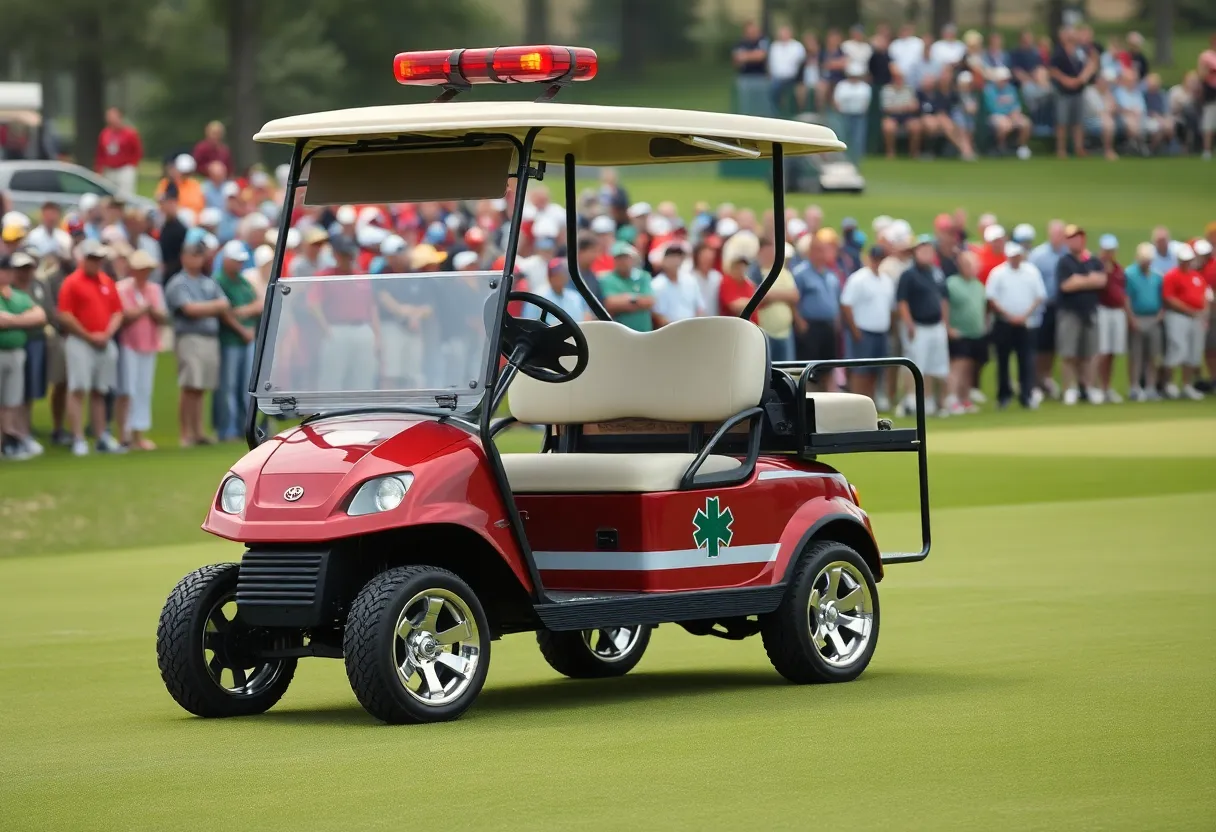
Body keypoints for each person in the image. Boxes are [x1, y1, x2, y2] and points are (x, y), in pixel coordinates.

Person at [57, 241, 124, 455]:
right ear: (83, 259)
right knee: (78, 389)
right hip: (80, 342)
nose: (97, 262)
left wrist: (107, 334)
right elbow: (65, 315)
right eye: (93, 258)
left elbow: (117, 312)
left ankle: (101, 436)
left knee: (100, 391)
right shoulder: (72, 282)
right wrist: (88, 335)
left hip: (104, 341)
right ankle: (78, 438)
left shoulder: (106, 281)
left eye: (99, 258)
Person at [165, 240, 228, 446]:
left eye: (199, 255)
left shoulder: (208, 281)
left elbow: (224, 303)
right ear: (183, 257)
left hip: (209, 336)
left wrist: (204, 307)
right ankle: (185, 433)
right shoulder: (178, 282)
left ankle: (198, 431)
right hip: (189, 336)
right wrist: (212, 307)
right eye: (192, 255)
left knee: (202, 385)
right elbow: (189, 309)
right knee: (189, 385)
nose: (196, 259)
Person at [114, 250, 167, 450]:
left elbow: (162, 315)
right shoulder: (122, 288)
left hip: (149, 343)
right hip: (129, 344)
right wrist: (144, 309)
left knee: (144, 389)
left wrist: (148, 310)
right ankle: (123, 434)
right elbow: (124, 315)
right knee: (127, 389)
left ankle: (138, 434)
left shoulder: (154, 289)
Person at [987, 243, 1047, 410]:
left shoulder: (1031, 272)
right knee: (1003, 361)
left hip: (1026, 323)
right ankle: (1004, 396)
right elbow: (991, 298)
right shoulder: (998, 273)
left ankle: (1026, 395)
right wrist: (1009, 316)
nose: (1015, 259)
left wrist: (1024, 316)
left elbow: (1039, 296)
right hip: (1004, 323)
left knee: (1026, 360)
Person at [213, 240, 262, 441]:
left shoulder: (242, 281)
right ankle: (227, 430)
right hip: (230, 341)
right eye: (236, 261)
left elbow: (258, 303)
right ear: (226, 260)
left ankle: (244, 427)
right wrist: (242, 329)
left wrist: (244, 311)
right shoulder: (219, 280)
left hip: (247, 339)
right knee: (228, 387)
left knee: (246, 387)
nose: (240, 264)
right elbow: (225, 312)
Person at [0, 255, 47, 459]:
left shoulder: (19, 296)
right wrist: (22, 320)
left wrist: (12, 320)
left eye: (9, 271)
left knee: (12, 401)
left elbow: (40, 316)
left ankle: (9, 441)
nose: (7, 274)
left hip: (16, 352)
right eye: (4, 270)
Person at [897, 235, 950, 415]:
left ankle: (930, 400)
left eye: (929, 250)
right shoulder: (908, 275)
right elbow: (902, 301)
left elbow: (943, 299)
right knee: (916, 364)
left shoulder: (937, 273)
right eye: (923, 250)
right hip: (918, 326)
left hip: (936, 325)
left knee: (935, 365)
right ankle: (911, 400)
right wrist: (909, 324)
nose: (926, 254)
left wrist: (945, 323)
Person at [1055, 225, 1106, 405]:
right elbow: (1066, 285)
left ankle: (1088, 387)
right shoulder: (1064, 262)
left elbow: (1101, 280)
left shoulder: (1093, 260)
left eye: (1077, 238)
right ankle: (1070, 389)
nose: (1074, 241)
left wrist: (1079, 280)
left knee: (1090, 353)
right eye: (1070, 238)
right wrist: (1088, 280)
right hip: (1070, 313)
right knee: (1069, 353)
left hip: (1089, 312)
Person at [840, 246, 894, 404]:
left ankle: (870, 401)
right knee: (860, 371)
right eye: (875, 258)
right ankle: (857, 402)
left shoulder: (886, 280)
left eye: (880, 259)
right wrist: (855, 330)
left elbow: (890, 307)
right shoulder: (858, 279)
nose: (877, 262)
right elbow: (846, 304)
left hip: (881, 332)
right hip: (863, 331)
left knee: (875, 371)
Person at [792, 235, 841, 387]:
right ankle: (807, 395)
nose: (822, 254)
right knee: (809, 368)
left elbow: (835, 300)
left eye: (824, 250)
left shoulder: (831, 275)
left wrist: (836, 322)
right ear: (811, 251)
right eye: (818, 250)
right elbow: (794, 300)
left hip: (828, 326)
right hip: (810, 326)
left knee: (828, 366)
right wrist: (799, 322)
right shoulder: (800, 274)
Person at [1161, 245, 1209, 400]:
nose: (1186, 263)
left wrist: (1203, 313)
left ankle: (1187, 385)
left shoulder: (1196, 277)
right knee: (1178, 348)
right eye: (1184, 260)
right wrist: (1189, 310)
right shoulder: (1172, 275)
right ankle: (1169, 384)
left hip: (1196, 318)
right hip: (1178, 317)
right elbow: (1169, 298)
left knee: (1193, 352)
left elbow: (1203, 296)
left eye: (1188, 260)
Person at [944, 251, 987, 413]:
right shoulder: (952, 283)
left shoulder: (978, 285)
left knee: (970, 368)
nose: (972, 268)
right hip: (958, 332)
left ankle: (965, 398)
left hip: (976, 333)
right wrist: (948, 327)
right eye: (967, 264)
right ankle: (952, 398)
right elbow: (945, 306)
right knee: (958, 367)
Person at [1124, 242, 1165, 402]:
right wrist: (1131, 318)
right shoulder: (1130, 274)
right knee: (1136, 355)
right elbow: (1126, 298)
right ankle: (1134, 387)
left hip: (1154, 318)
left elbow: (1162, 297)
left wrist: (1160, 314)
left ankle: (1150, 387)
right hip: (1137, 317)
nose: (1146, 262)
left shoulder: (1157, 276)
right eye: (1144, 259)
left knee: (1153, 355)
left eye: (1148, 260)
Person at [1049, 26, 1099, 159]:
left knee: (1078, 122)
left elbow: (1091, 64)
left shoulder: (1081, 51)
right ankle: (1061, 150)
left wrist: (1080, 79)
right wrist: (1067, 81)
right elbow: (1053, 70)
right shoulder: (1058, 51)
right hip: (1063, 91)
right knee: (1062, 121)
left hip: (1078, 90)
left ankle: (1079, 148)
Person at [750, 238, 799, 361]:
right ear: (760, 253)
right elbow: (756, 299)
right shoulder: (754, 273)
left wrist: (772, 295)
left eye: (772, 252)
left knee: (786, 368)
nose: (770, 255)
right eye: (767, 252)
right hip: (764, 333)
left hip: (786, 333)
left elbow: (795, 296)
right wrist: (783, 295)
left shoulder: (783, 272)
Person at [1094, 234, 1127, 403]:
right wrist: (1104, 274)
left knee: (1112, 352)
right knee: (1102, 351)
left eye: (1111, 250)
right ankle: (1096, 387)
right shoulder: (1096, 267)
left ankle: (1107, 387)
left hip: (1117, 312)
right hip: (1102, 310)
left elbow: (1123, 293)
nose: (1108, 254)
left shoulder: (1119, 269)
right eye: (1106, 250)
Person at [598, 241, 655, 332]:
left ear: (632, 258)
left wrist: (628, 299)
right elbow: (610, 304)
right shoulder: (607, 279)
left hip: (644, 331)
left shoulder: (643, 276)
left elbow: (650, 301)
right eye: (619, 258)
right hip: (619, 332)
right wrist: (638, 301)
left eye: (626, 257)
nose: (623, 261)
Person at [651, 242, 705, 327]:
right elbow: (657, 315)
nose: (675, 260)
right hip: (669, 331)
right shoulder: (656, 285)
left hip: (693, 328)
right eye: (671, 256)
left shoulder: (690, 281)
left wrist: (697, 326)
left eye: (678, 256)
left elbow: (700, 308)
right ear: (663, 259)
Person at [94, 108, 142, 199]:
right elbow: (100, 153)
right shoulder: (105, 133)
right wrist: (99, 169)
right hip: (109, 169)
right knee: (109, 195)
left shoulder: (130, 133)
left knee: (125, 195)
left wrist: (133, 165)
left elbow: (137, 151)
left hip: (124, 168)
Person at [984, 67, 1032, 157]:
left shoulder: (1011, 89)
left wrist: (1015, 113)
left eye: (1006, 79)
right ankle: (1000, 147)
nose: (1004, 82)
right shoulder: (989, 90)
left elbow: (1016, 104)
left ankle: (1021, 147)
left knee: (1026, 123)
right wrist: (1007, 116)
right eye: (1002, 80)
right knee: (1005, 125)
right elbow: (992, 108)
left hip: (1012, 115)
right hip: (996, 116)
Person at [833, 64, 872, 166]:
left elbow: (866, 102)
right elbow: (836, 101)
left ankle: (856, 160)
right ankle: (843, 159)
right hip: (844, 115)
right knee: (843, 137)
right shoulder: (842, 85)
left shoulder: (865, 87)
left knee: (857, 139)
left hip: (859, 116)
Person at [882, 65, 923, 159]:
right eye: (896, 78)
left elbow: (915, 106)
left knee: (916, 127)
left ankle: (913, 153)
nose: (898, 80)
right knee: (888, 127)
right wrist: (904, 107)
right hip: (892, 116)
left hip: (907, 116)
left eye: (900, 78)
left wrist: (903, 107)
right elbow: (886, 108)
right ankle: (890, 152)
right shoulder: (887, 89)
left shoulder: (909, 89)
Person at [534, 257, 591, 323]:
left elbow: (587, 318)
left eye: (562, 274)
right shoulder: (538, 297)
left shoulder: (576, 297)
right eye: (555, 275)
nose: (559, 278)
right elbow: (530, 323)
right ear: (549, 277)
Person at [767, 25, 806, 115]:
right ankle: (776, 113)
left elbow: (802, 64)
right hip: (776, 78)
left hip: (793, 78)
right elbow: (770, 63)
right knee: (774, 87)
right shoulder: (775, 46)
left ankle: (792, 113)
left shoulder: (797, 46)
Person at [1082, 73, 1119, 162]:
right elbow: (1097, 111)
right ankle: (1108, 150)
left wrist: (1108, 99)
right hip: (1088, 121)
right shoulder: (1089, 92)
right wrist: (1107, 111)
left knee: (1109, 122)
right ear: (1098, 81)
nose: (1106, 84)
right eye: (1104, 82)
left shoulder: (1107, 92)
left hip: (1105, 118)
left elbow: (1114, 108)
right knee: (1108, 123)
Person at [1114, 67, 1149, 156]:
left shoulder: (1138, 93)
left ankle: (1140, 145)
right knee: (1131, 123)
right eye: (1131, 80)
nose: (1133, 82)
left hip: (1140, 116)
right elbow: (1120, 108)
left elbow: (1142, 108)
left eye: (1134, 81)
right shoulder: (1118, 92)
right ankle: (1136, 145)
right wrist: (1132, 112)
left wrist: (1137, 113)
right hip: (1123, 117)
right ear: (1125, 81)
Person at [1200, 34, 1216, 160]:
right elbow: (1202, 74)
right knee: (1209, 123)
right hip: (1211, 92)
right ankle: (1207, 150)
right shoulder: (1206, 56)